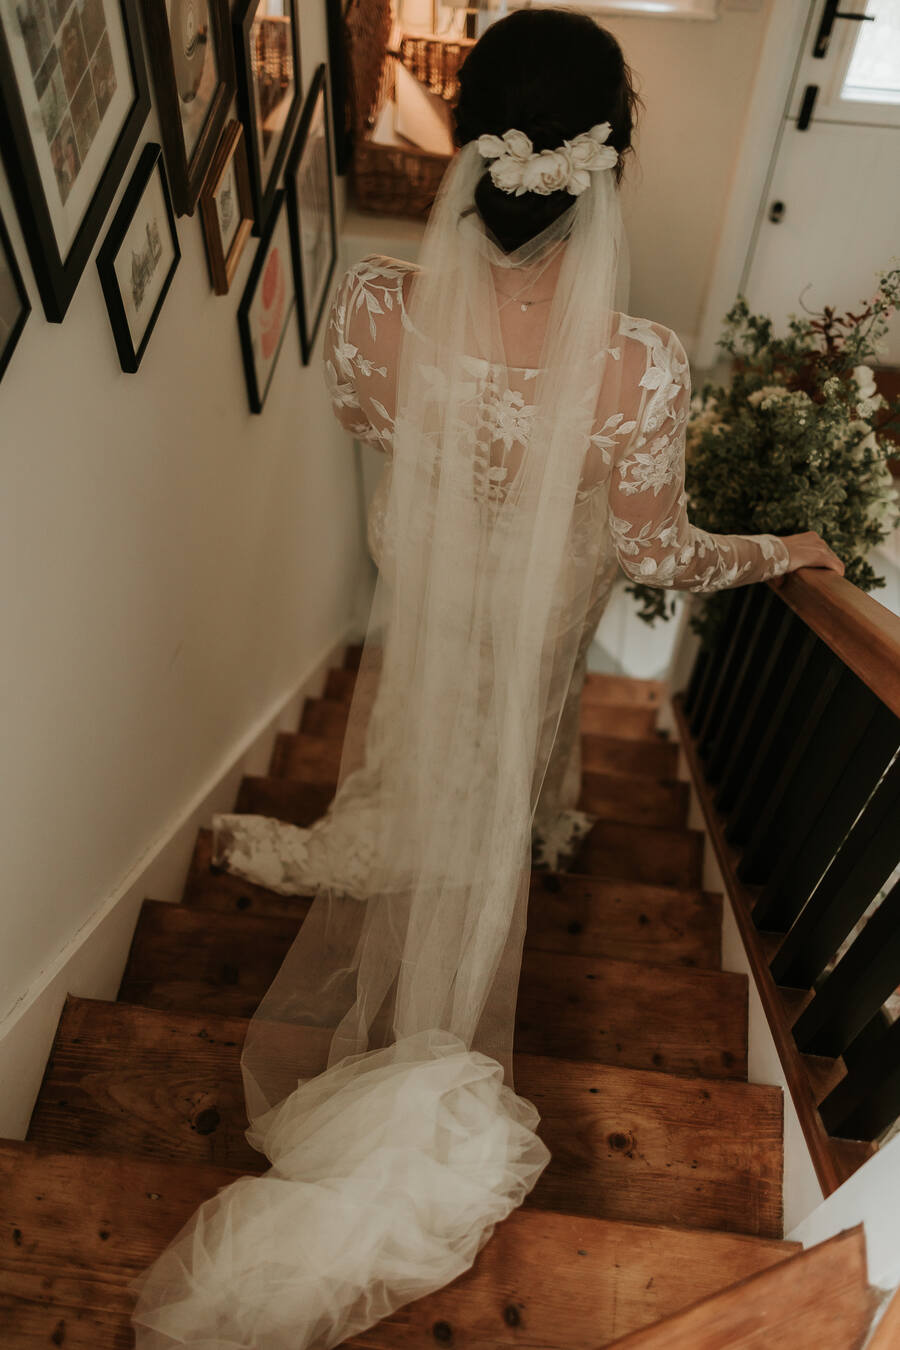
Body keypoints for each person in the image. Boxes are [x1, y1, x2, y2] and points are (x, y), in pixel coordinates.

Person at [128, 10, 844, 1348]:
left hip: (438, 582)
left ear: (472, 146)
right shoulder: (640, 368)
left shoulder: (372, 308)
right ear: (610, 164)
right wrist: (783, 550)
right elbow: (655, 549)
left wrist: (480, 464)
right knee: (511, 731)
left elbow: (367, 421)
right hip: (544, 592)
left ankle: (388, 844)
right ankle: (439, 900)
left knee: (455, 733)